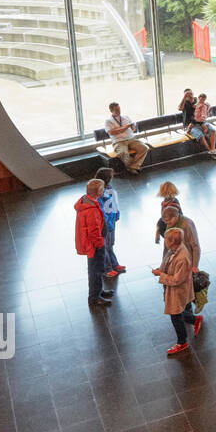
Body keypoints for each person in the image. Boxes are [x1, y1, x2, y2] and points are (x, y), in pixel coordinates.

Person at [153, 227, 199, 356]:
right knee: (183, 309)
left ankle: (182, 342)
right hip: (179, 291)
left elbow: (176, 280)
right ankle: (195, 320)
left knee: (175, 315)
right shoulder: (175, 249)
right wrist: (161, 270)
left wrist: (160, 274)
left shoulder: (182, 258)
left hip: (178, 291)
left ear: (172, 242)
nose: (164, 241)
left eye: (166, 239)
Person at [75, 179, 113, 307]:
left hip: (93, 244)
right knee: (96, 271)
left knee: (95, 270)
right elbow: (93, 230)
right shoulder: (91, 209)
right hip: (95, 245)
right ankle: (94, 297)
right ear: (98, 192)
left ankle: (98, 291)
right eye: (102, 189)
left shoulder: (88, 202)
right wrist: (100, 243)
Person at [94, 166, 124, 279]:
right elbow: (101, 209)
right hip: (105, 224)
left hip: (112, 221)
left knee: (110, 245)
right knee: (105, 246)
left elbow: (114, 203)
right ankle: (107, 268)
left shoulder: (109, 188)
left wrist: (117, 214)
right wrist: (106, 221)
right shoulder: (99, 193)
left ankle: (114, 264)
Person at [104, 102, 147, 174]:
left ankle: (133, 167)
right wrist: (126, 127)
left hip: (131, 139)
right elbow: (111, 132)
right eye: (116, 110)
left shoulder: (126, 117)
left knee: (144, 148)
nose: (119, 111)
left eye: (119, 109)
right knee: (122, 153)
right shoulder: (108, 121)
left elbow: (133, 129)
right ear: (111, 111)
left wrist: (133, 127)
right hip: (119, 141)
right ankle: (133, 167)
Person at [160, 206, 201, 279]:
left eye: (169, 222)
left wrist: (194, 266)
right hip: (176, 258)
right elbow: (166, 247)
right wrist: (163, 265)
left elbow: (195, 246)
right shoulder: (170, 224)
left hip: (187, 257)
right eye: (165, 222)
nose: (167, 224)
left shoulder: (187, 225)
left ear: (175, 217)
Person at [187, 92, 216, 158]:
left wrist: (204, 113)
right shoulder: (195, 105)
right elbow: (194, 112)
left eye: (203, 99)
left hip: (201, 120)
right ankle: (211, 151)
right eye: (201, 99)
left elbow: (205, 113)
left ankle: (213, 149)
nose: (202, 100)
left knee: (212, 130)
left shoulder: (204, 105)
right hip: (195, 121)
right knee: (200, 135)